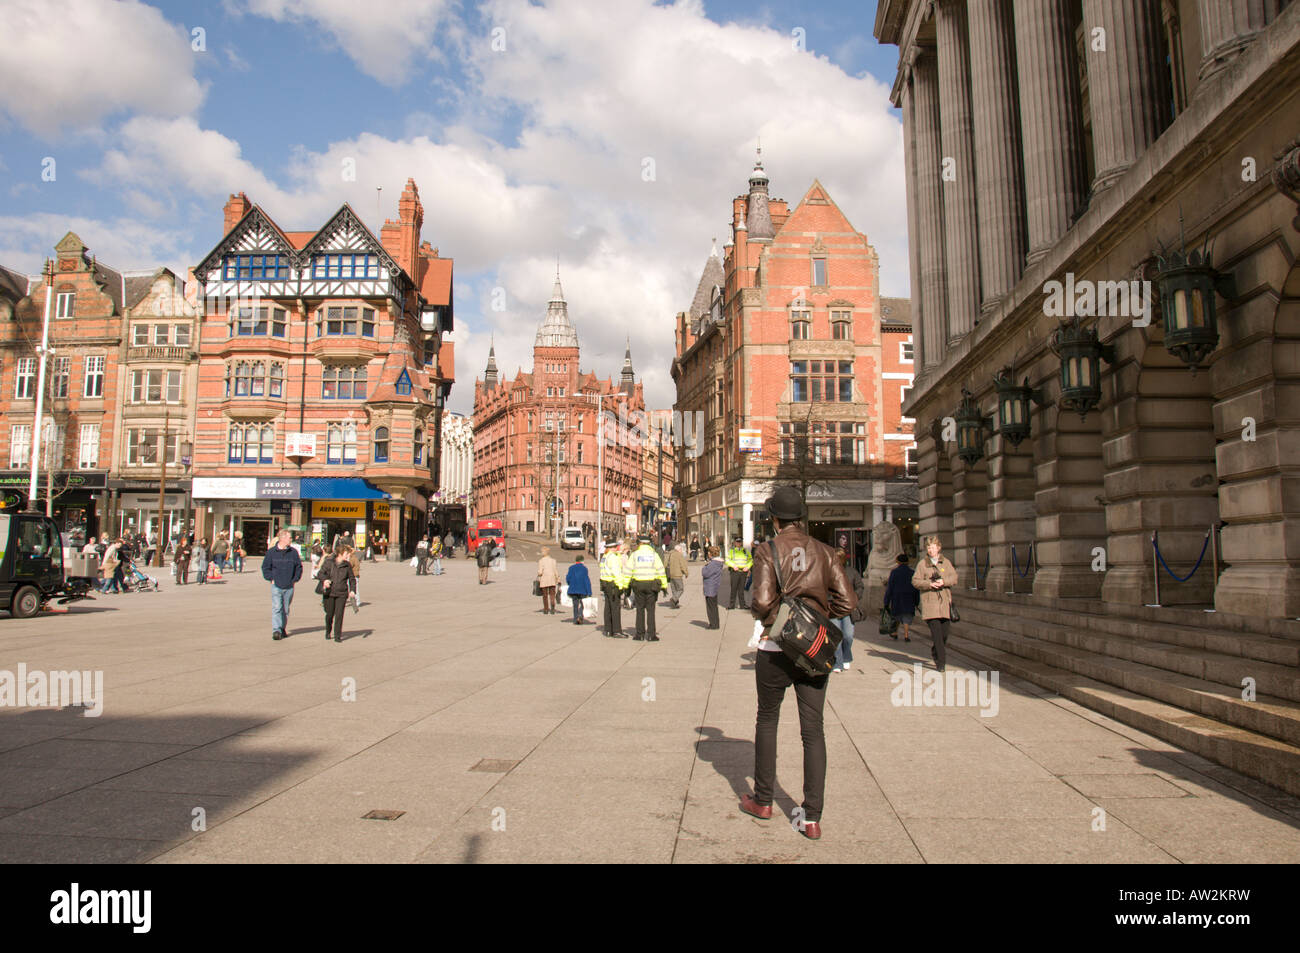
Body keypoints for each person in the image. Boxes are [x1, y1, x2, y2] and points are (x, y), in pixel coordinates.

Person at [742, 486, 856, 842]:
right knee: (813, 730)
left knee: (767, 720)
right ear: (801, 518)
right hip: (814, 652)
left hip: (776, 649)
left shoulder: (767, 549)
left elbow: (761, 602)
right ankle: (811, 817)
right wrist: (816, 620)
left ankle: (763, 800)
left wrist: (785, 623)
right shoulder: (824, 551)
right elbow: (847, 602)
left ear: (775, 519)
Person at [913, 536, 958, 672]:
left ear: (938, 548)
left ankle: (935, 651)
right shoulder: (922, 564)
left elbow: (954, 577)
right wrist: (929, 584)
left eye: (932, 547)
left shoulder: (946, 563)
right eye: (928, 547)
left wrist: (943, 582)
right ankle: (941, 663)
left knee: (944, 634)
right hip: (930, 604)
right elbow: (915, 581)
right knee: (937, 635)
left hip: (944, 603)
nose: (930, 550)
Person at [262, 529, 303, 641]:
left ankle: (282, 628)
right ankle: (276, 630)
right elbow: (265, 567)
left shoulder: (293, 552)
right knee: (277, 608)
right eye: (289, 537)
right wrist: (271, 578)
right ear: (283, 538)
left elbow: (299, 567)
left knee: (285, 609)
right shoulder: (271, 552)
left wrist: (295, 579)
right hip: (276, 585)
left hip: (289, 585)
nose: (291, 539)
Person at [628, 534, 668, 641]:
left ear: (640, 543)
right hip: (652, 585)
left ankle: (639, 634)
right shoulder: (654, 555)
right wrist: (664, 585)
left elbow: (628, 570)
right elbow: (661, 570)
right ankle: (651, 634)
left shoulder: (634, 555)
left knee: (640, 609)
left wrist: (624, 585)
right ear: (648, 543)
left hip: (638, 584)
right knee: (651, 610)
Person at [832, 550, 865, 673]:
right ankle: (837, 662)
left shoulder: (851, 572)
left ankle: (846, 656)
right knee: (837, 637)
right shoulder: (829, 572)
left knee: (848, 636)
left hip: (848, 610)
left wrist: (855, 597)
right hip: (834, 609)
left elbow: (860, 586)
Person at [319, 545, 357, 642]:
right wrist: (325, 580)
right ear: (341, 553)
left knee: (339, 614)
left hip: (342, 593)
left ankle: (337, 635)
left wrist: (352, 590)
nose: (348, 555)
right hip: (330, 592)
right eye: (346, 554)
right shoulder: (329, 562)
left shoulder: (347, 565)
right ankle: (328, 630)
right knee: (329, 614)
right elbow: (320, 573)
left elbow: (352, 579)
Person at [598, 538, 629, 637]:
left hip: (605, 584)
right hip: (613, 584)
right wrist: (621, 586)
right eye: (615, 546)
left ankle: (608, 629)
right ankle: (616, 630)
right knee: (615, 608)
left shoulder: (605, 557)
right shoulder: (613, 558)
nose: (617, 548)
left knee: (608, 608)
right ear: (612, 547)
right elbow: (617, 573)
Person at [884, 553, 917, 642]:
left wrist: (886, 601)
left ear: (897, 562)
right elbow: (916, 586)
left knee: (897, 615)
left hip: (897, 597)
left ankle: (895, 632)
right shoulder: (912, 572)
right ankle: (906, 635)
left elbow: (890, 588)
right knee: (907, 616)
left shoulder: (894, 572)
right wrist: (917, 600)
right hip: (909, 597)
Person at [724, 537, 752, 610]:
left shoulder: (745, 551)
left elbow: (751, 560)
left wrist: (747, 567)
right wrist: (733, 566)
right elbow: (727, 560)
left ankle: (743, 605)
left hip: (743, 572)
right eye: (737, 542)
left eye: (740, 542)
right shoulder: (732, 551)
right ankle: (731, 605)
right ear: (735, 543)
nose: (739, 543)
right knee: (733, 589)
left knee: (741, 590)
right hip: (735, 572)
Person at [700, 546, 724, 629]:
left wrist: (704, 567)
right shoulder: (716, 563)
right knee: (713, 606)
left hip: (710, 587)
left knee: (711, 607)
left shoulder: (713, 564)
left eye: (709, 553)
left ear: (711, 554)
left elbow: (705, 573)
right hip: (713, 586)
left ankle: (713, 624)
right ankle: (715, 623)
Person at [565, 554, 592, 625]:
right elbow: (586, 580)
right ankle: (580, 615)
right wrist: (589, 592)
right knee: (582, 604)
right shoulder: (584, 568)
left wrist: (570, 584)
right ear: (582, 561)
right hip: (582, 589)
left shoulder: (571, 568)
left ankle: (575, 618)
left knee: (575, 604)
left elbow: (568, 578)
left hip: (573, 589)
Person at [664, 542, 689, 609]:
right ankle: (674, 599)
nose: (681, 551)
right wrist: (686, 573)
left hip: (670, 575)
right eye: (681, 549)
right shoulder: (679, 555)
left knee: (674, 590)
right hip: (677, 575)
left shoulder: (669, 554)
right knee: (681, 589)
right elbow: (683, 565)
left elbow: (665, 563)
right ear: (678, 549)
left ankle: (674, 604)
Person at [536, 547, 559, 612]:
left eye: (542, 552)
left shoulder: (541, 561)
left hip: (544, 579)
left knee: (545, 595)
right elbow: (555, 570)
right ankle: (552, 607)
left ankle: (546, 609)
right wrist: (558, 578)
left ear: (544, 553)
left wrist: (539, 573)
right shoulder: (553, 560)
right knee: (552, 594)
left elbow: (540, 572)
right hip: (552, 578)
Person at [347, 544, 363, 610]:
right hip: (354, 575)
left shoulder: (352, 558)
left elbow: (349, 566)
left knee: (355, 589)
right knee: (353, 588)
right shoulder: (354, 557)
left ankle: (357, 601)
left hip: (353, 575)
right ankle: (355, 601)